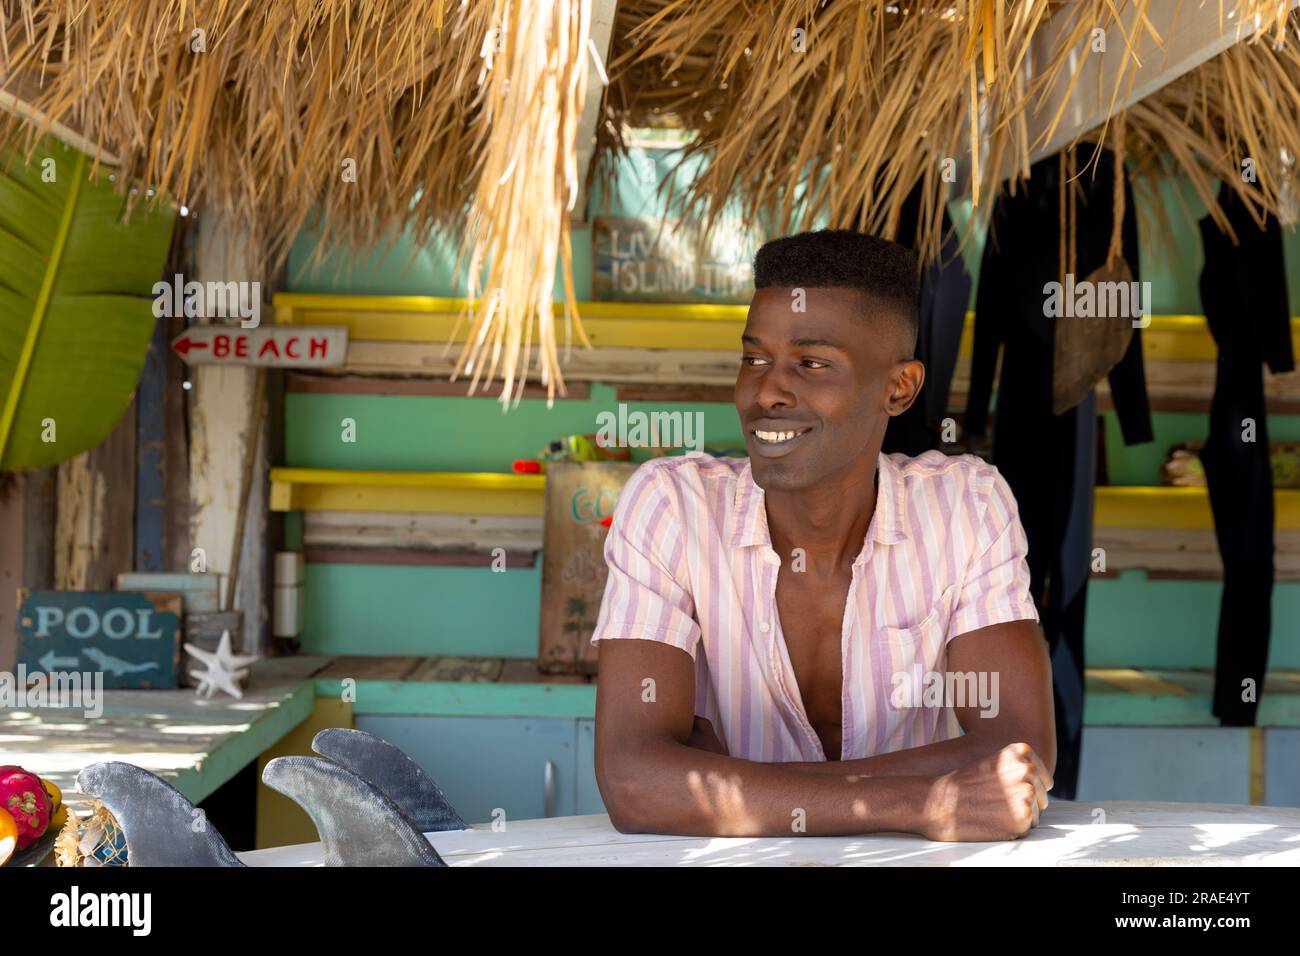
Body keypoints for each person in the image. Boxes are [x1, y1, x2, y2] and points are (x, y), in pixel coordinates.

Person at [590, 229, 1055, 841]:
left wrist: (725, 779)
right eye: (754, 358)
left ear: (899, 388)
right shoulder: (672, 507)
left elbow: (1017, 751)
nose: (767, 391)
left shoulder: (966, 507)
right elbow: (633, 782)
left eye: (811, 364)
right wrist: (922, 804)